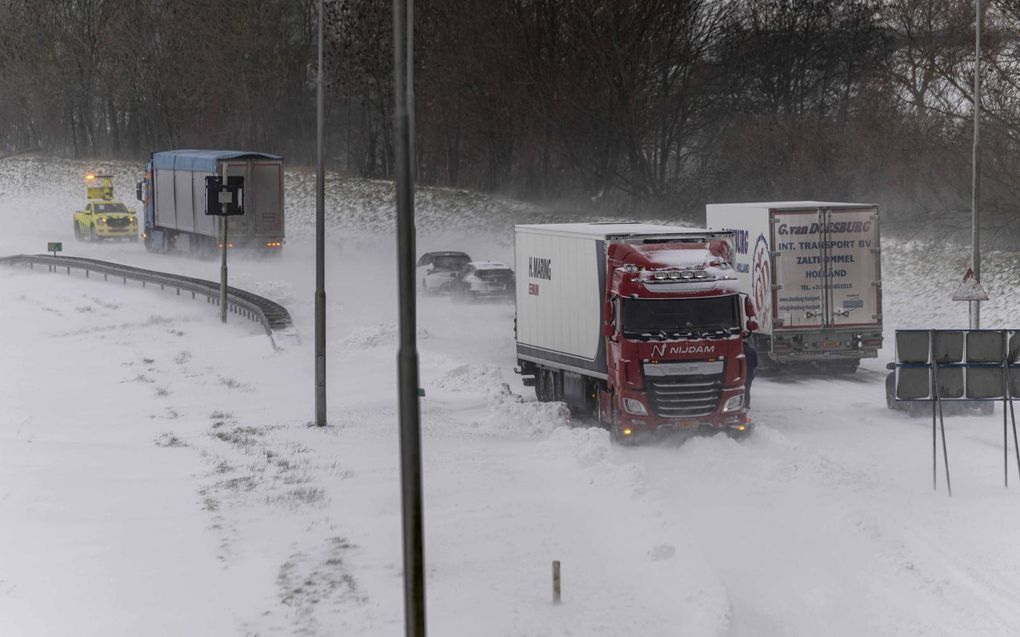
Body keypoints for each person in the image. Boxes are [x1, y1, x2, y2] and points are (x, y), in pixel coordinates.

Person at [743, 339, 758, 409]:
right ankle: (747, 405)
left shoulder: (736, 350)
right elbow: (756, 363)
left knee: (738, 390)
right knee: (747, 390)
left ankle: (738, 404)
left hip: (739, 373)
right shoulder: (752, 350)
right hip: (749, 373)